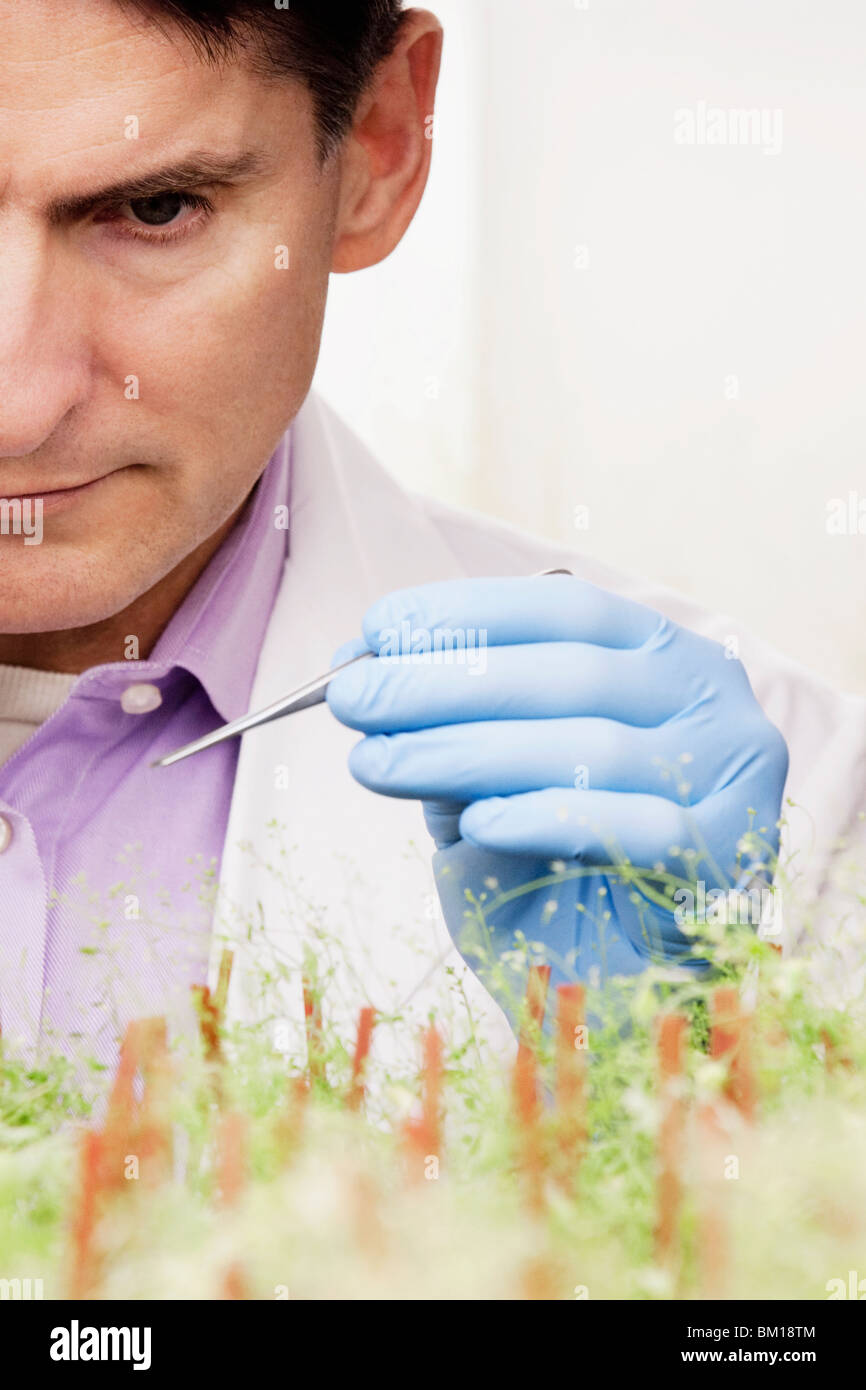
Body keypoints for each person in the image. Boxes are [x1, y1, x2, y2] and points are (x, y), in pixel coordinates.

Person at [0, 1, 862, 1068]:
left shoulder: (773, 822)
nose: (20, 407)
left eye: (158, 206)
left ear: (377, 148)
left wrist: (671, 1079)